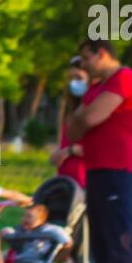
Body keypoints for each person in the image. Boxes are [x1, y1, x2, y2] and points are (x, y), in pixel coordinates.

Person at [65, 37, 132, 263]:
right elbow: (73, 129)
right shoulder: (96, 89)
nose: (83, 66)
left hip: (118, 171)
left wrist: (85, 117)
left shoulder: (125, 79)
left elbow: (92, 117)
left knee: (118, 239)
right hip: (96, 170)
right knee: (100, 241)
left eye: (86, 59)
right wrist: (83, 117)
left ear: (102, 54)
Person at [49, 58, 88, 189]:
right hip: (67, 182)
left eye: (78, 77)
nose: (74, 83)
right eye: (71, 78)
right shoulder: (73, 110)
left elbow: (100, 148)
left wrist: (68, 151)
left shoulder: (95, 110)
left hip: (85, 182)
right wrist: (58, 154)